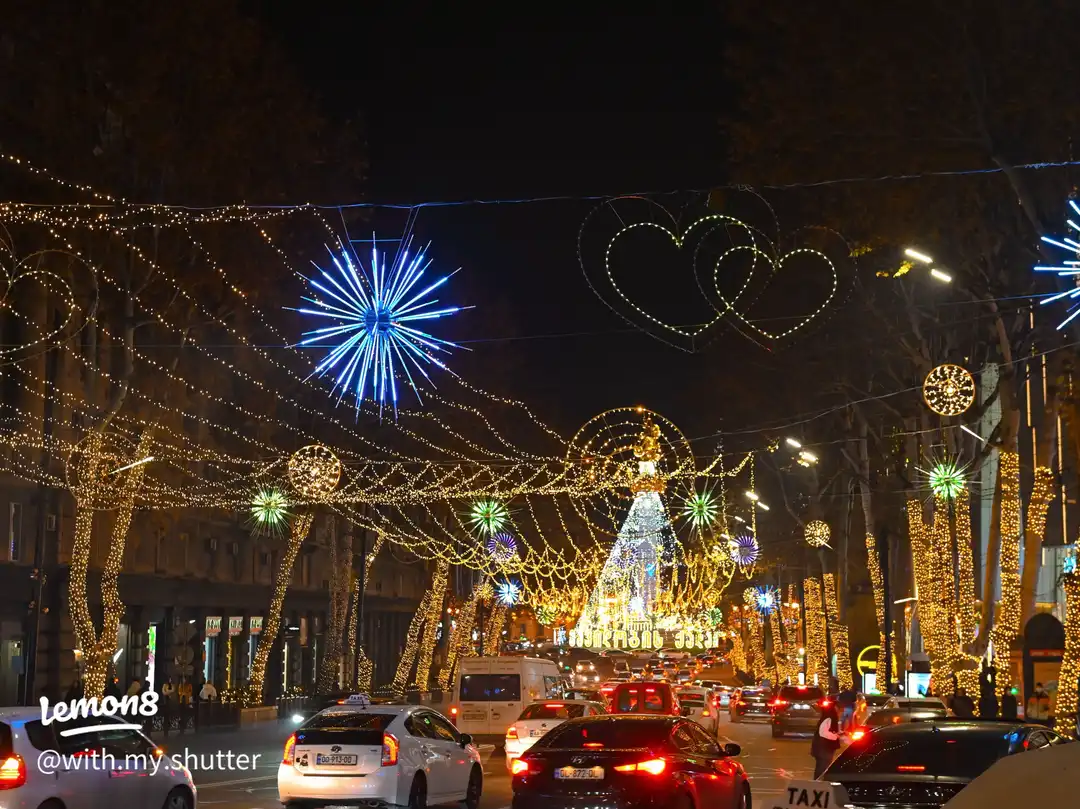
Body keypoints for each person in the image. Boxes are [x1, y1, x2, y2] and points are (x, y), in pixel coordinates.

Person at [811, 701, 845, 778]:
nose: (841, 713)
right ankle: (818, 784)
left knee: (822, 767)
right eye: (841, 710)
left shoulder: (831, 717)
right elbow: (823, 732)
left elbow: (832, 730)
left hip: (824, 747)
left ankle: (818, 783)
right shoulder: (829, 717)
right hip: (823, 747)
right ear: (836, 708)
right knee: (822, 768)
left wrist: (841, 734)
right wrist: (835, 736)